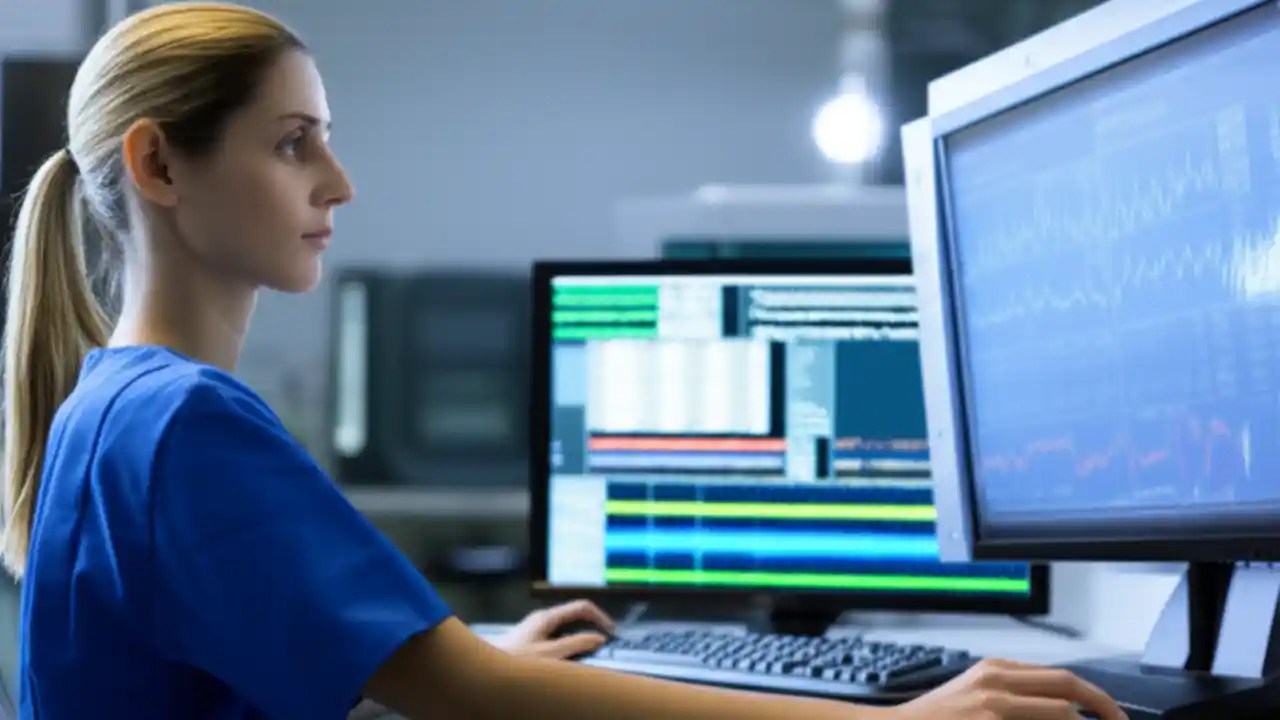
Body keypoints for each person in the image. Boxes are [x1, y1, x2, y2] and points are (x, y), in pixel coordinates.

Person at [1, 3, 1126, 719]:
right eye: (295, 143)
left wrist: (482, 653)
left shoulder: (110, 404)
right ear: (157, 163)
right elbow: (465, 699)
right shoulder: (186, 423)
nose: (338, 183)